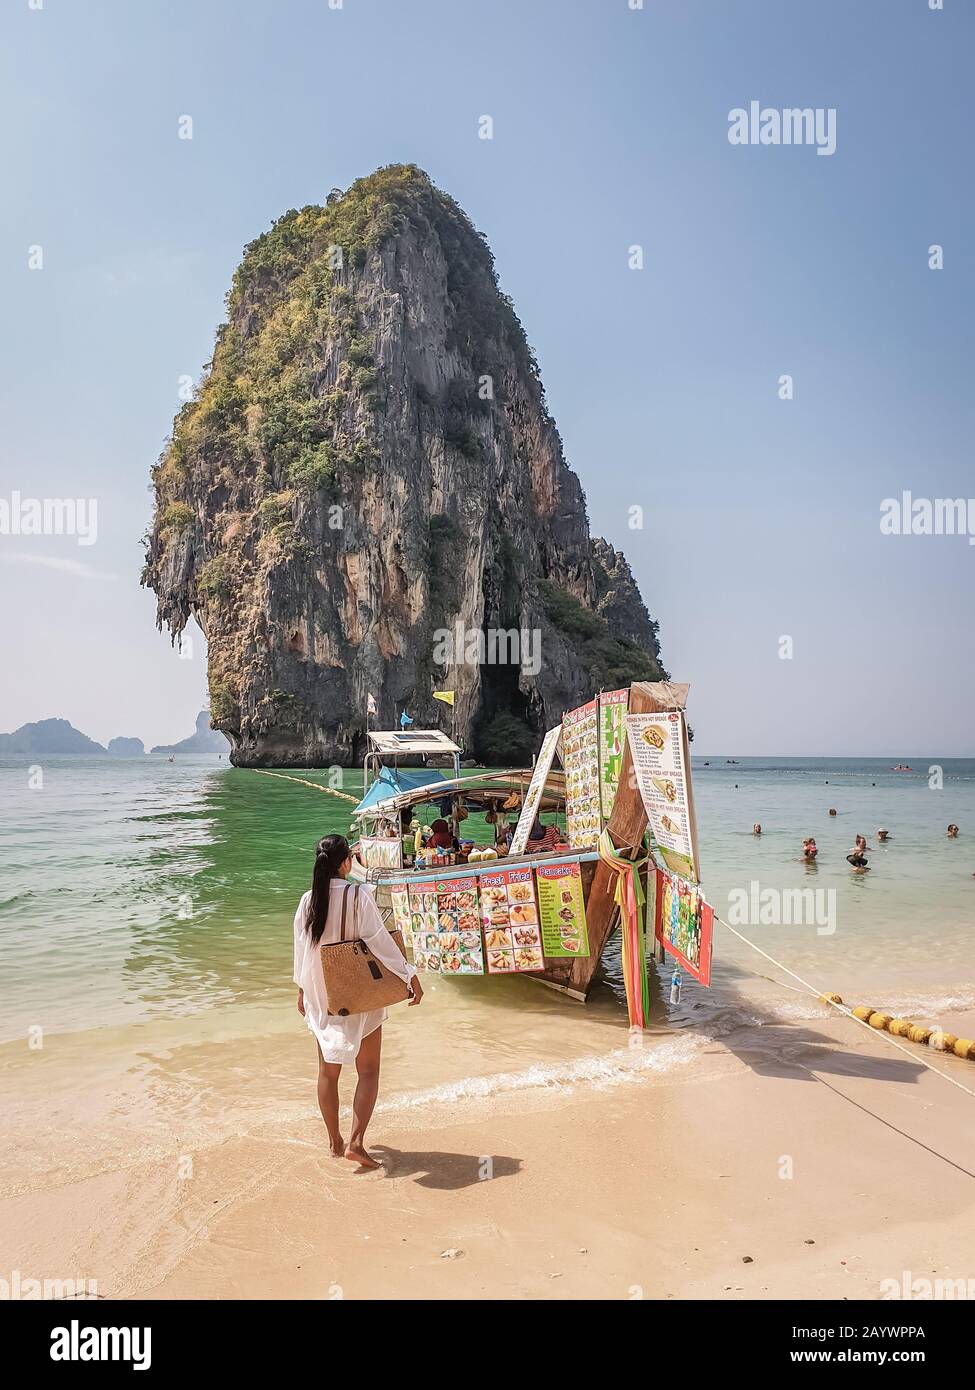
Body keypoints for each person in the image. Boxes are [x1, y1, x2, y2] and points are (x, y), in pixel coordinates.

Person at [293, 834, 422, 1169]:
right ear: (346, 862)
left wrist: (302, 991)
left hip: (324, 994)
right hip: (360, 993)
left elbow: (302, 952)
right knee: (369, 1070)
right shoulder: (358, 893)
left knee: (327, 1073)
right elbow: (379, 943)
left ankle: (334, 1141)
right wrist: (409, 975)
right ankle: (356, 1142)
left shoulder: (308, 900)